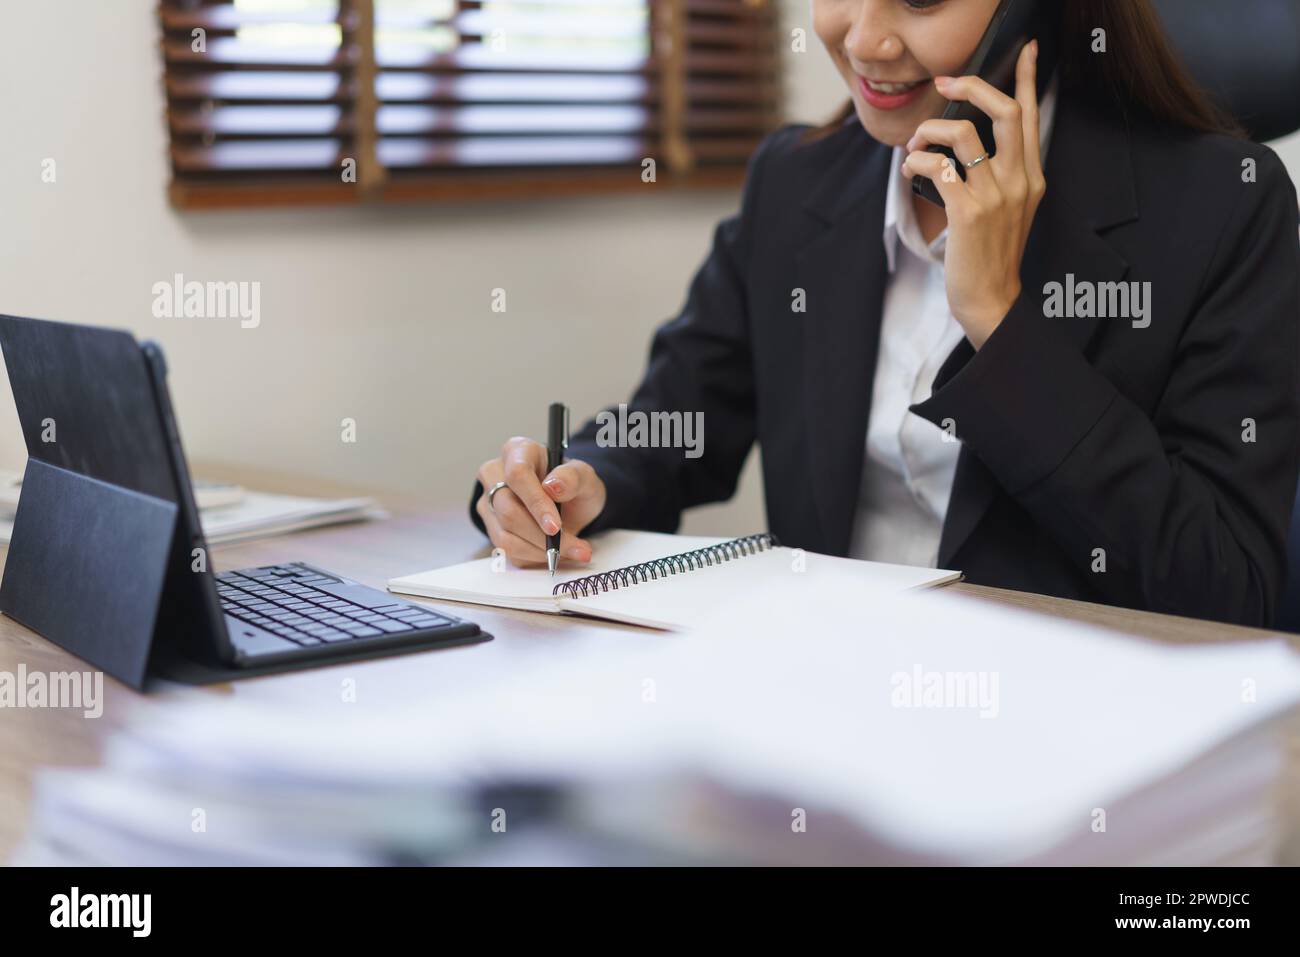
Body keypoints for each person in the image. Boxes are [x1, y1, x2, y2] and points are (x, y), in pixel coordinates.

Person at [470, 0, 1300, 627]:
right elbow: (677, 425)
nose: (866, 38)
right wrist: (577, 485)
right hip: (826, 722)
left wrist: (1000, 321)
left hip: (1072, 757)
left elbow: (1229, 586)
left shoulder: (1224, 207)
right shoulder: (797, 182)